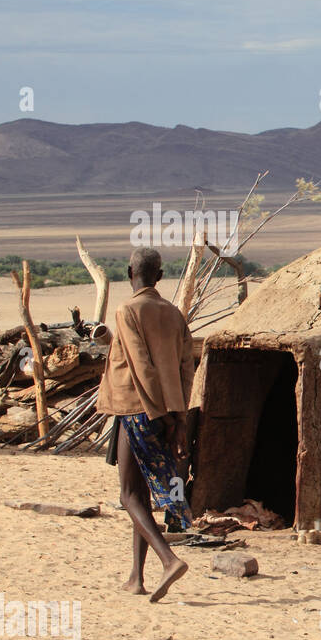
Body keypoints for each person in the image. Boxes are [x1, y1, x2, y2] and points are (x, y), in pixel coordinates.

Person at [95, 247, 194, 603]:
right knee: (142, 492)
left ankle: (169, 560)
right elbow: (186, 368)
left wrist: (159, 414)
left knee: (128, 494)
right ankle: (136, 576)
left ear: (128, 272)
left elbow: (140, 367)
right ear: (160, 276)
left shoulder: (127, 310)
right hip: (165, 411)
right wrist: (178, 418)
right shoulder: (174, 314)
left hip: (137, 410)